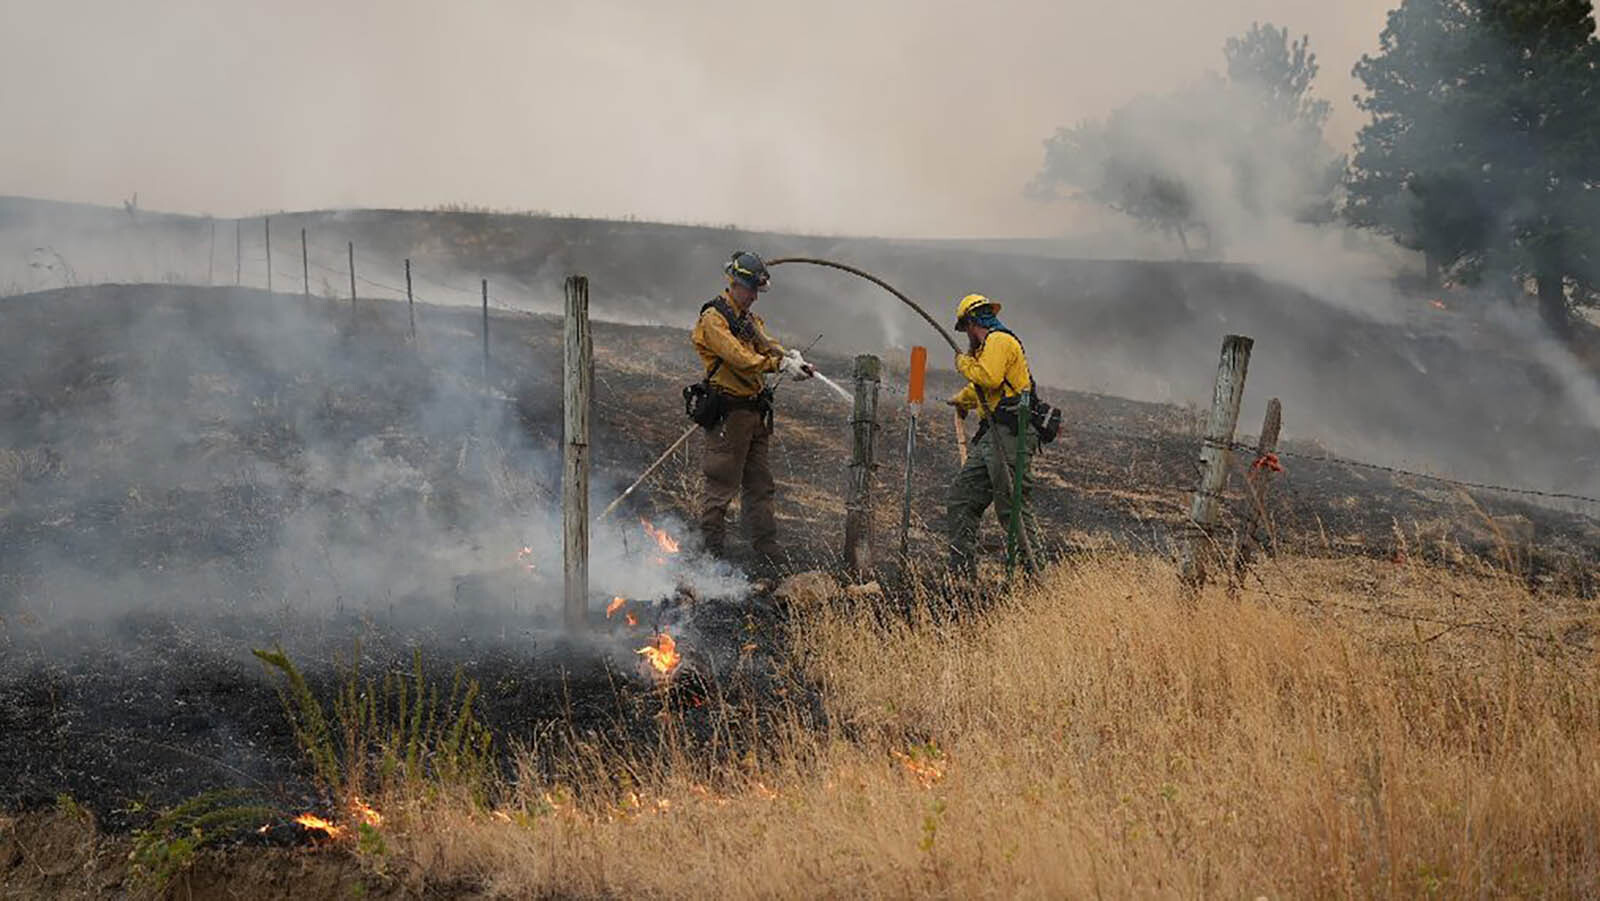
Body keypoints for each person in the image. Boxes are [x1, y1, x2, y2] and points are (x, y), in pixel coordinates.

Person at [691, 251, 814, 567]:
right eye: (752, 289)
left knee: (760, 485)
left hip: (754, 414)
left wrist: (791, 358)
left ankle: (764, 549)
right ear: (735, 283)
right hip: (729, 415)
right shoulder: (714, 320)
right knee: (721, 486)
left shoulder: (747, 319)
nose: (755, 296)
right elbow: (739, 358)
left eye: (758, 290)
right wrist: (778, 364)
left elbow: (765, 344)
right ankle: (710, 556)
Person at [945, 293, 1043, 577]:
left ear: (972, 322)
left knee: (1012, 509)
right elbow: (985, 390)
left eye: (965, 329)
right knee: (962, 497)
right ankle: (963, 575)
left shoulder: (999, 341)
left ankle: (1035, 577)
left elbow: (988, 377)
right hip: (992, 434)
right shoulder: (989, 347)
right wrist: (962, 400)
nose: (966, 336)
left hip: (1011, 434)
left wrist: (961, 363)